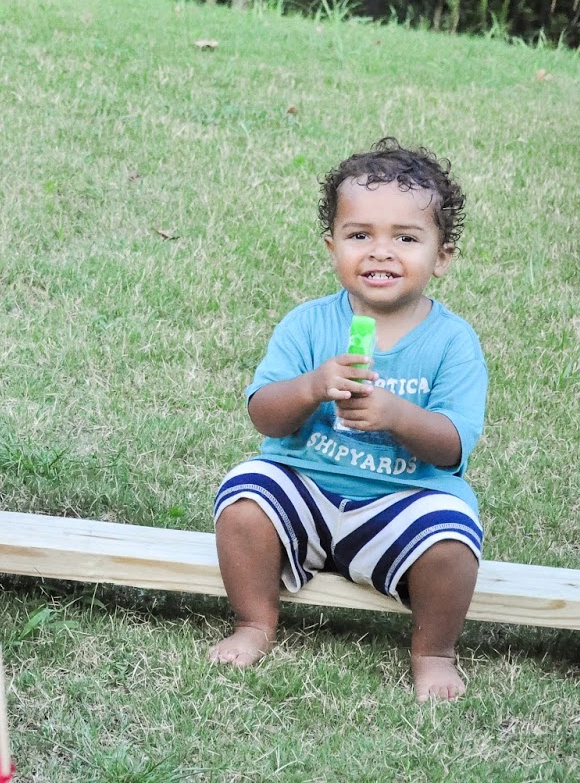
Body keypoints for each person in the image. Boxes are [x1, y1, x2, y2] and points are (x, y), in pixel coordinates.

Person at [208, 137, 487, 702]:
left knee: (452, 540)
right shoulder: (307, 326)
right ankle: (255, 621)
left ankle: (434, 650)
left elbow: (453, 447)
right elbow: (265, 416)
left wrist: (398, 415)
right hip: (306, 491)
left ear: (442, 257)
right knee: (243, 496)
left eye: (406, 239)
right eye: (360, 236)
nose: (380, 253)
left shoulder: (453, 342)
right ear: (332, 245)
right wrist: (312, 387)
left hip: (400, 502)